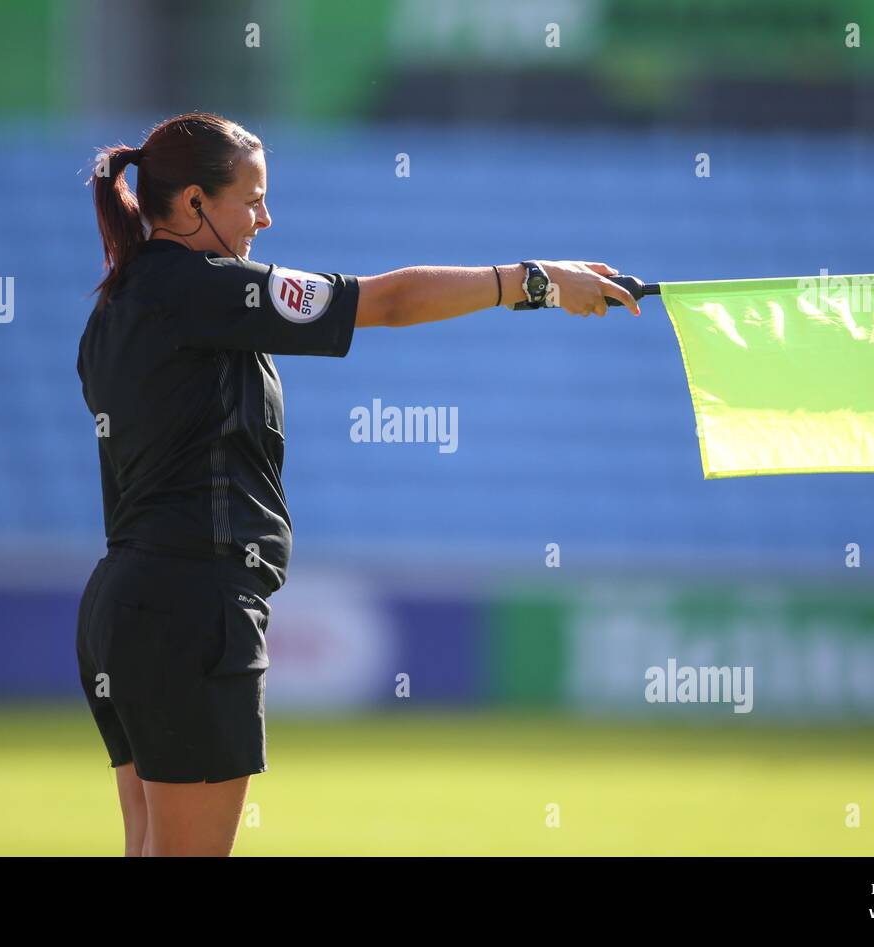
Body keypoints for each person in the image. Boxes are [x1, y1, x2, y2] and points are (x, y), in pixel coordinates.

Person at [76, 111, 640, 857]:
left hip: (123, 604)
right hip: (192, 607)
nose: (266, 218)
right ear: (193, 205)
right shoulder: (202, 288)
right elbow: (388, 301)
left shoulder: (116, 303)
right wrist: (534, 282)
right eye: (252, 199)